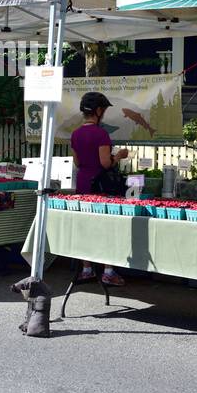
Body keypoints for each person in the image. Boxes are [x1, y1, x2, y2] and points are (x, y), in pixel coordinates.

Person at [71, 91, 131, 287]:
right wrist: (119, 156)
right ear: (98, 111)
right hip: (100, 186)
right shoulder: (101, 134)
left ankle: (87, 269)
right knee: (106, 228)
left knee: (85, 228)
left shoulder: (75, 134)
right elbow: (105, 163)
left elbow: (78, 162)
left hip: (82, 184)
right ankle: (108, 271)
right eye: (103, 110)